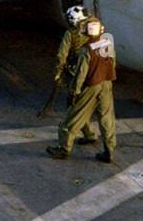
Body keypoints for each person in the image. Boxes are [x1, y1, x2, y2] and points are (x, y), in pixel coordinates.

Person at [47, 17, 118, 163]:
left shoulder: (86, 50)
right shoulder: (107, 43)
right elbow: (113, 62)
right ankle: (109, 150)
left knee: (73, 119)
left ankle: (64, 148)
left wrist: (74, 92)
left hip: (91, 86)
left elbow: (81, 74)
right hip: (107, 84)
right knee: (106, 118)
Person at [54, 5, 98, 144]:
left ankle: (67, 139)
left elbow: (62, 55)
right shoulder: (96, 30)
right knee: (84, 105)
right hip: (94, 73)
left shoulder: (71, 34)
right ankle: (88, 133)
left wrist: (58, 72)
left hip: (76, 73)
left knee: (74, 104)